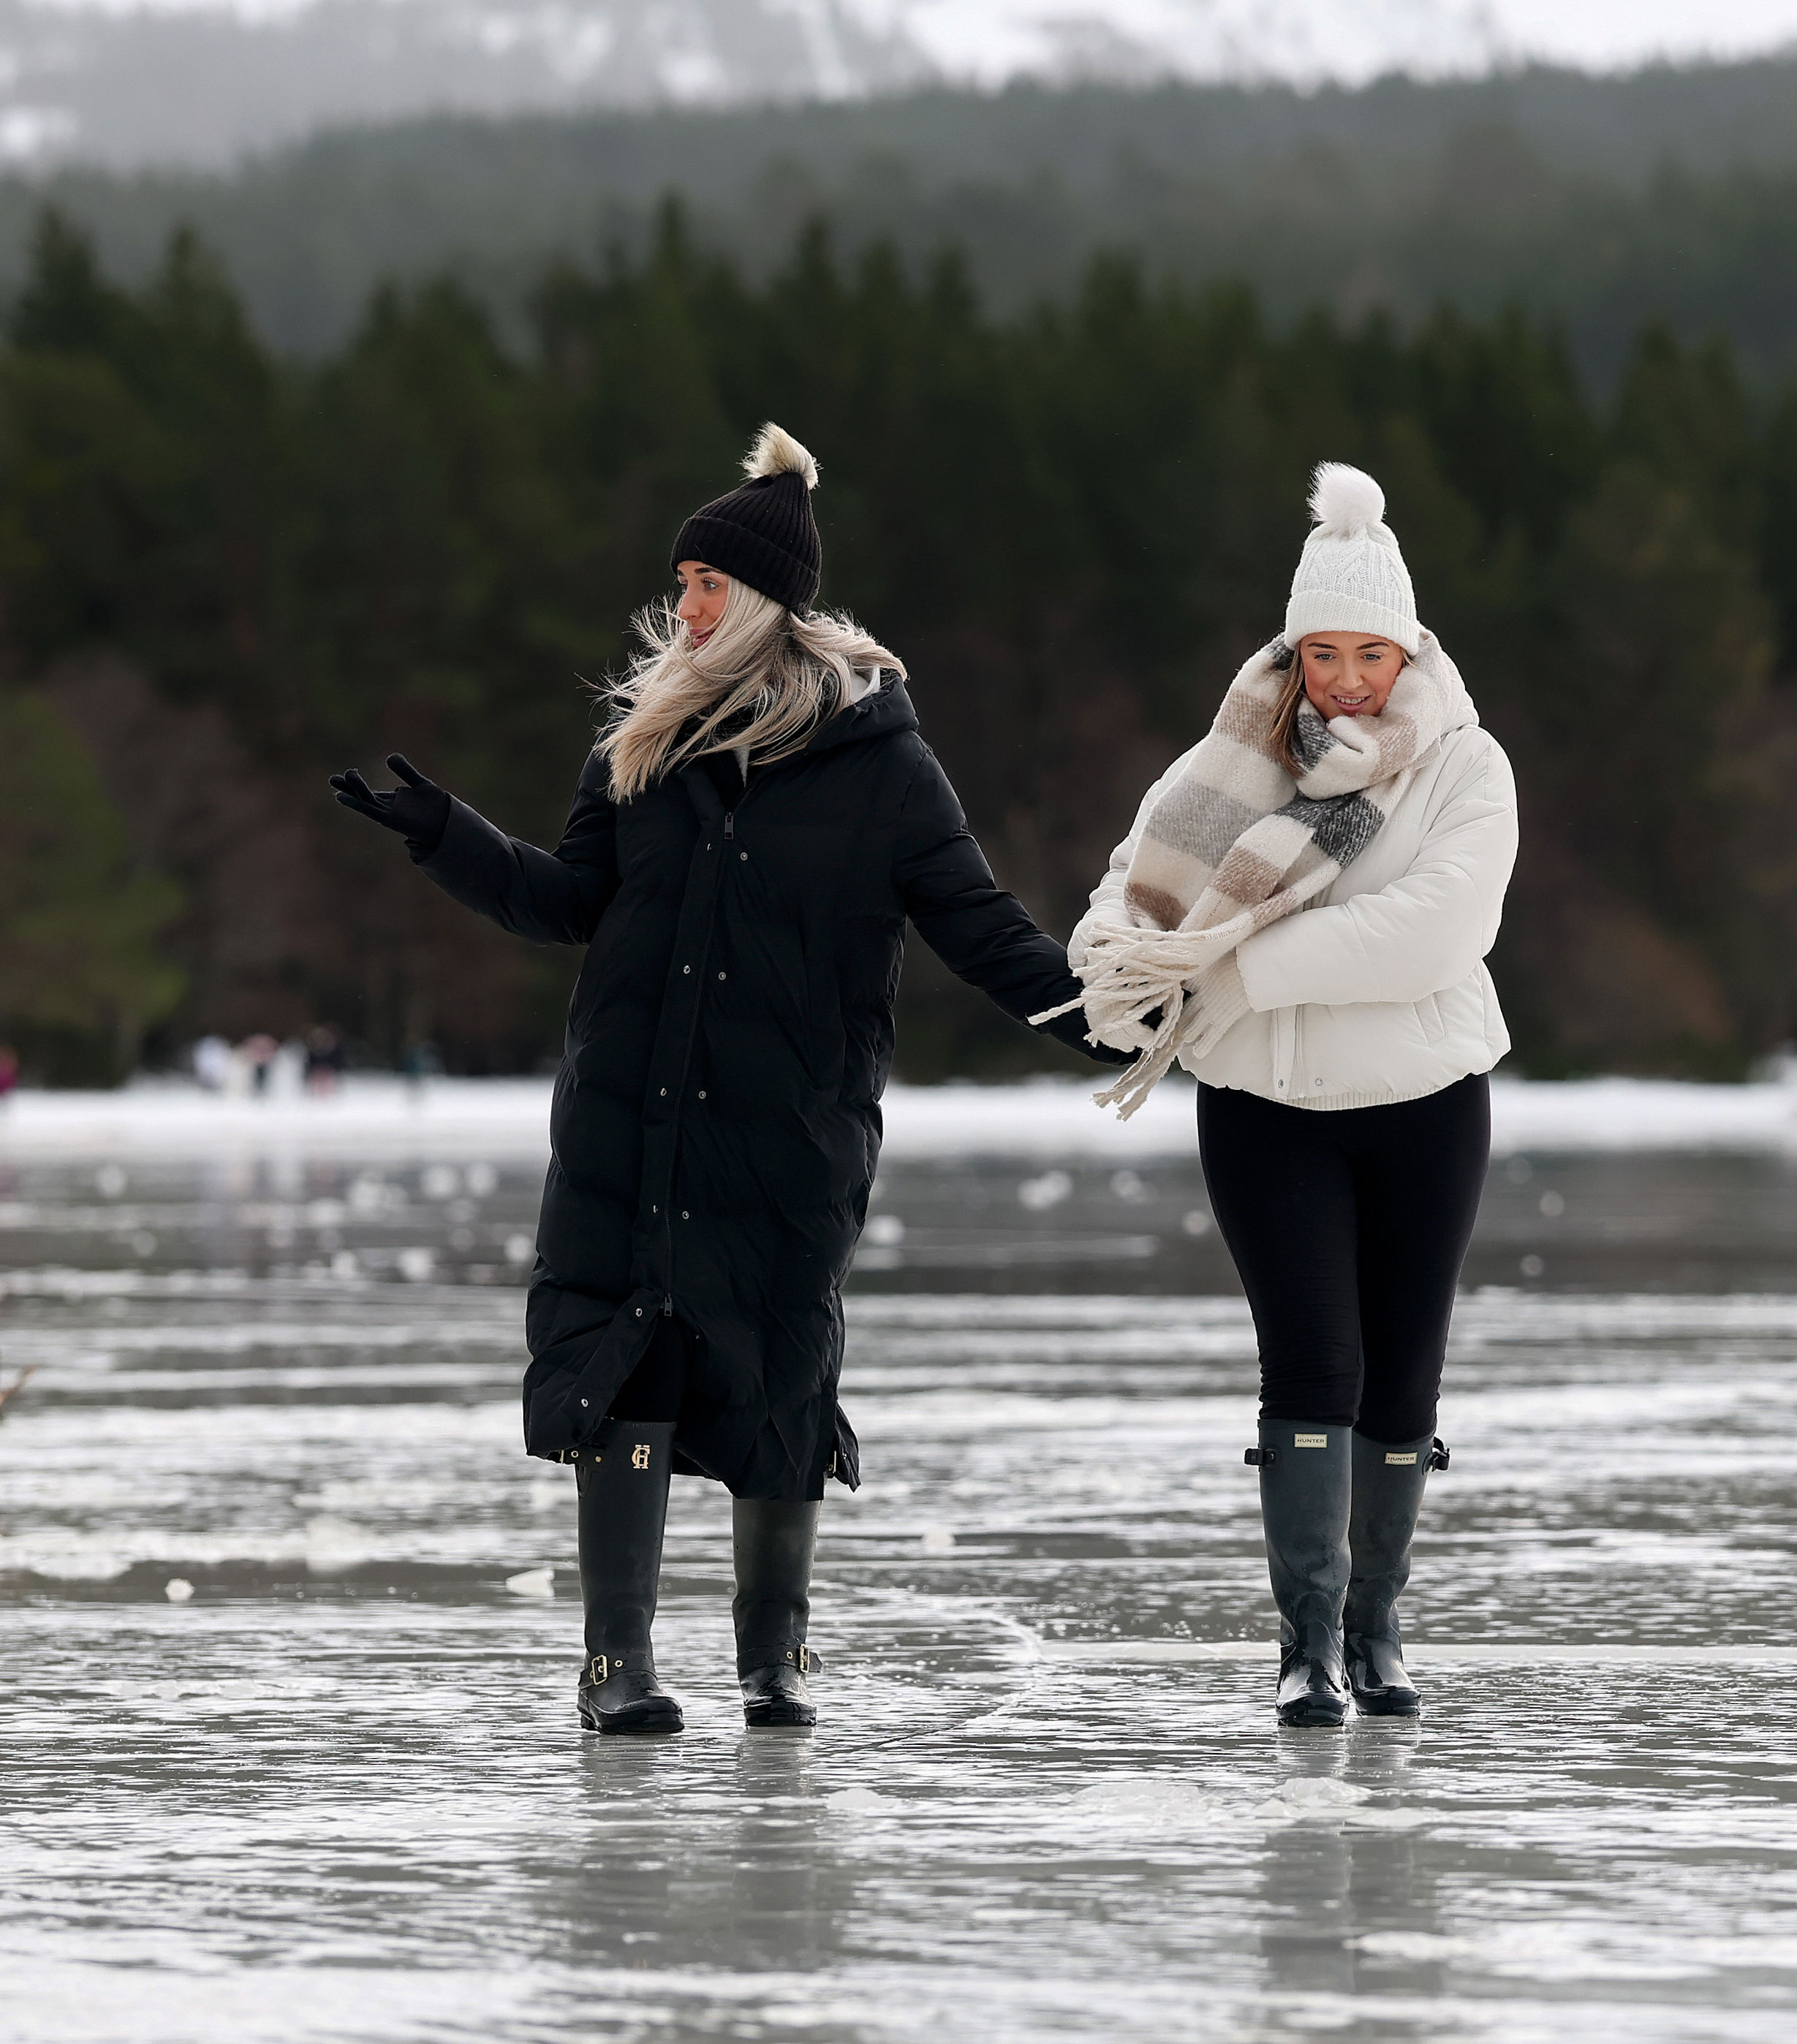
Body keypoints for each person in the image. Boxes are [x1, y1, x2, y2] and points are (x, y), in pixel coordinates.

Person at [330, 423, 1122, 1735]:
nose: (681, 606)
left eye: (704, 586)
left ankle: (775, 1658)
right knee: (617, 1367)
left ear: (761, 604)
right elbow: (565, 901)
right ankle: (617, 1669)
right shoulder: (640, 749)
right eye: (681, 583)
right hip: (628, 1122)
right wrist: (448, 839)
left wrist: (1122, 1025)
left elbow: (984, 931)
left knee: (772, 1378)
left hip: (786, 1127)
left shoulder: (885, 767)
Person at [1064, 463, 1517, 1727]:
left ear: (1409, 646)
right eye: (1326, 653)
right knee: (1310, 1361)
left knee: (1402, 1375)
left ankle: (1377, 1631)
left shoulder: (1467, 770)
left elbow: (1434, 933)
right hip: (1264, 1106)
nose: (1349, 680)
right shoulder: (1225, 767)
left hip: (1425, 1100)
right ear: (1295, 649)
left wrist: (1234, 965)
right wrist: (1127, 962)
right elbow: (1134, 887)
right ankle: (1307, 1643)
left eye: (1372, 653)